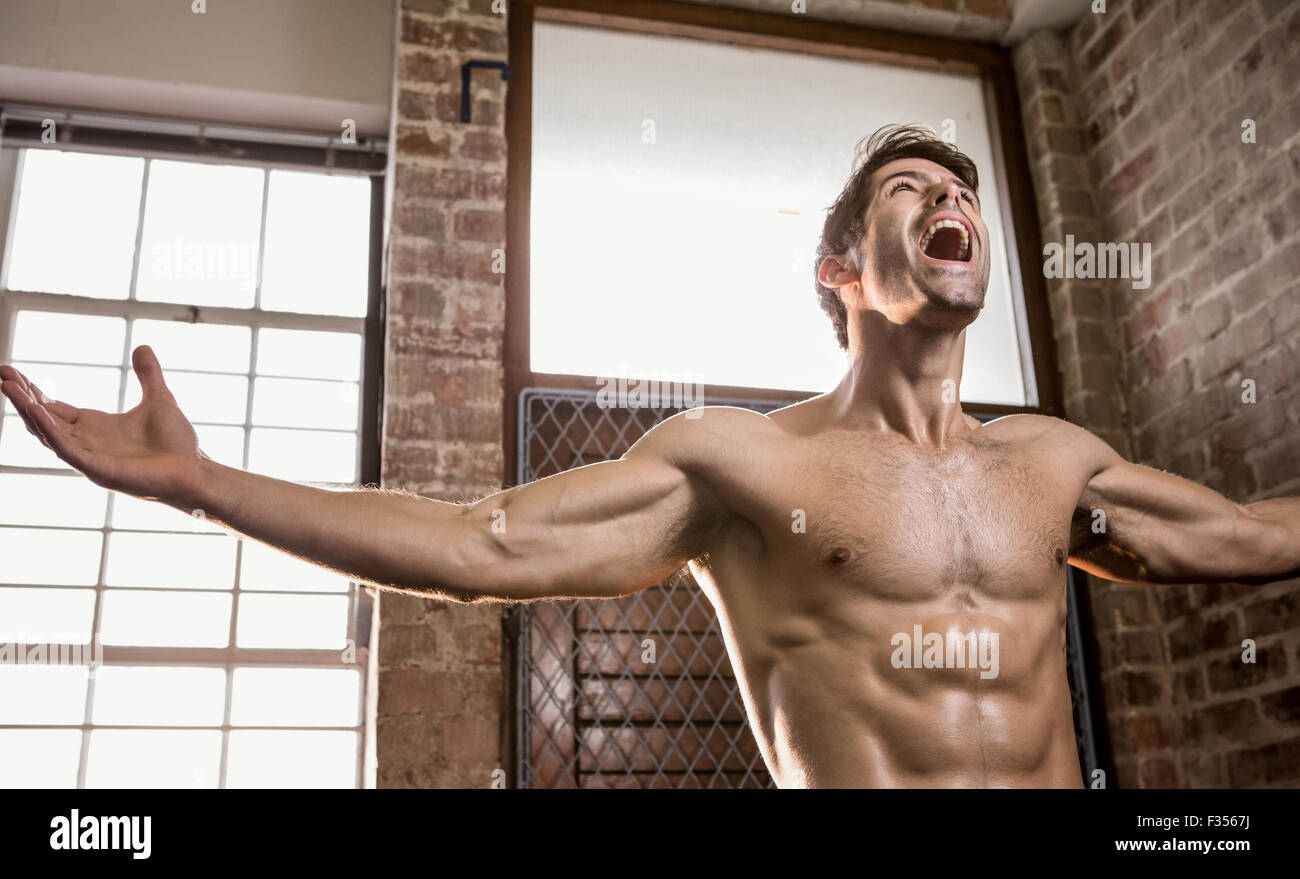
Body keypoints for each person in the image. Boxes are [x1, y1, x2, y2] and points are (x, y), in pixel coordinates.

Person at [4, 124, 1297, 788]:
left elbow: (1246, 538)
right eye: (913, 191)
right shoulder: (742, 467)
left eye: (960, 196)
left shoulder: (1058, 463)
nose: (950, 205)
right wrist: (203, 484)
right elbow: (478, 546)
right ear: (842, 271)